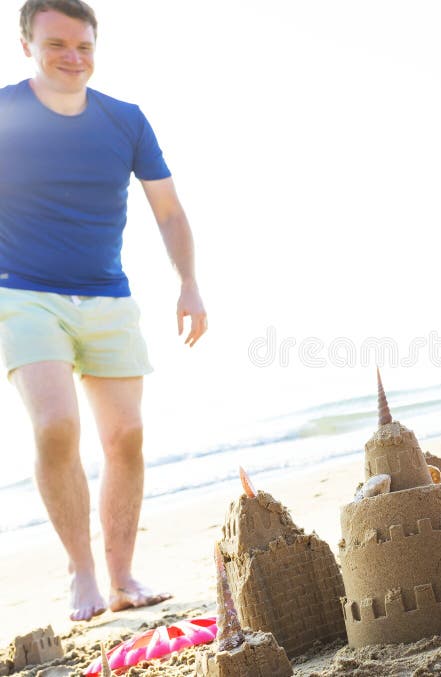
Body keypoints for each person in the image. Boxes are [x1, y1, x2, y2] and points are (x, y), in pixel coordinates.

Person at [0, 0, 207, 621]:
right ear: (27, 46)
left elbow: (168, 211)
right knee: (56, 425)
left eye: (83, 46)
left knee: (126, 436)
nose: (72, 57)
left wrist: (189, 284)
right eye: (57, 44)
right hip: (23, 292)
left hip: (108, 295)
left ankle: (122, 577)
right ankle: (81, 575)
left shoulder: (125, 121)